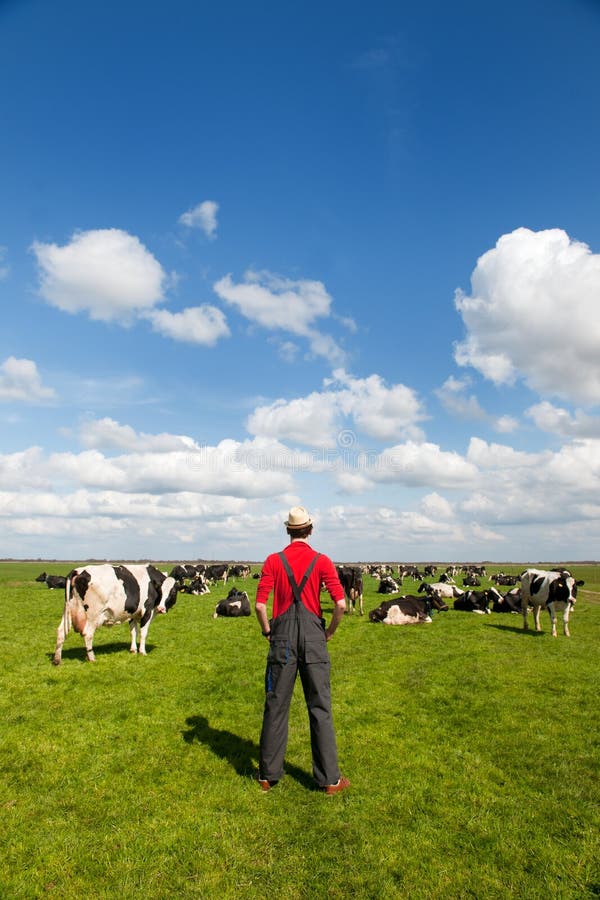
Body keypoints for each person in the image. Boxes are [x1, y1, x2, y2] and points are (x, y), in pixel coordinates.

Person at [254, 505, 350, 795]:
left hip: (281, 638)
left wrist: (268, 631)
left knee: (276, 705)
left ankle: (268, 776)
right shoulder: (322, 561)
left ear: (288, 530)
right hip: (313, 639)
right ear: (310, 529)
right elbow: (341, 604)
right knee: (320, 707)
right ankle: (329, 780)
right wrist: (329, 631)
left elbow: (260, 605)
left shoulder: (273, 561)